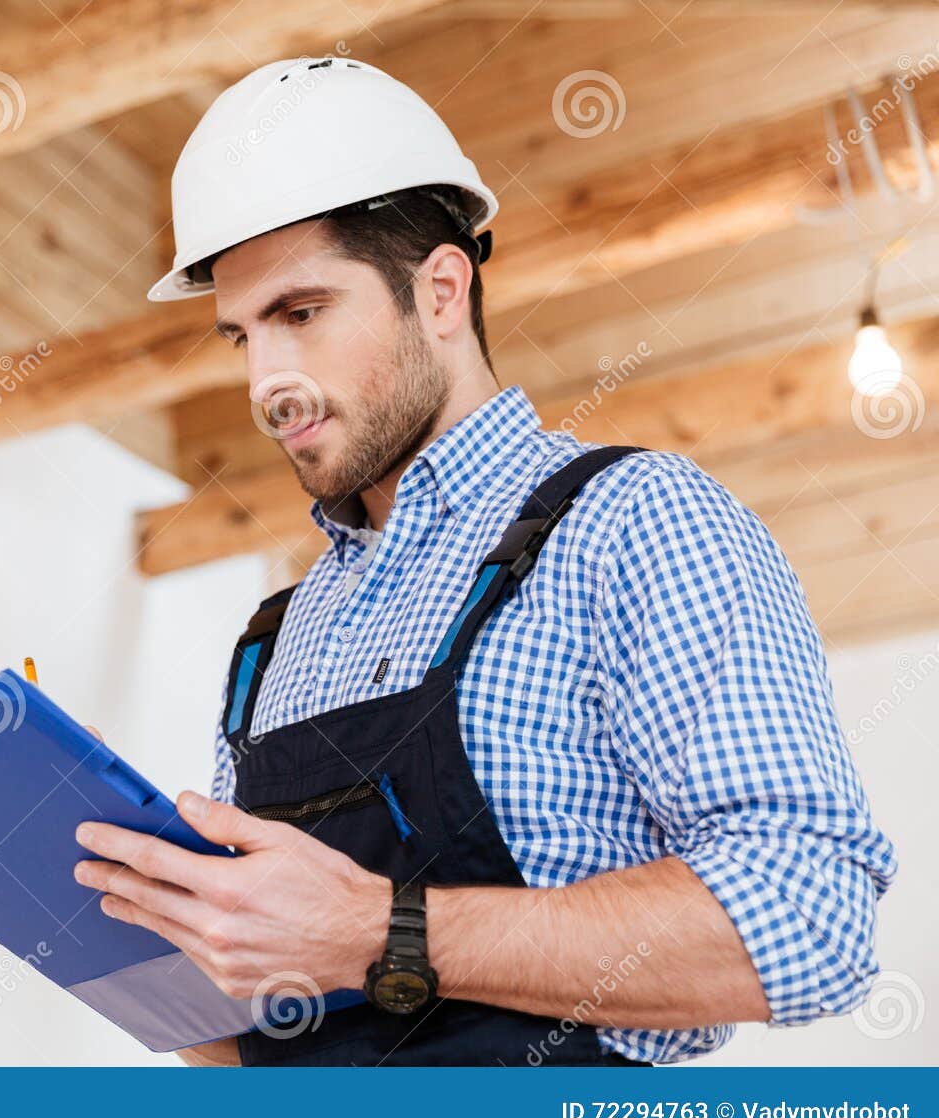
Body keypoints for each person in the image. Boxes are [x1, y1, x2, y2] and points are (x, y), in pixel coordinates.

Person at [70, 57, 897, 1066]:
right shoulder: (276, 637)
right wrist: (147, 946)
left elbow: (810, 916)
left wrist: (381, 932)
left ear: (442, 291)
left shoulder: (632, 521)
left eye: (300, 313)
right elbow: (251, 1037)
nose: (266, 381)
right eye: (240, 335)